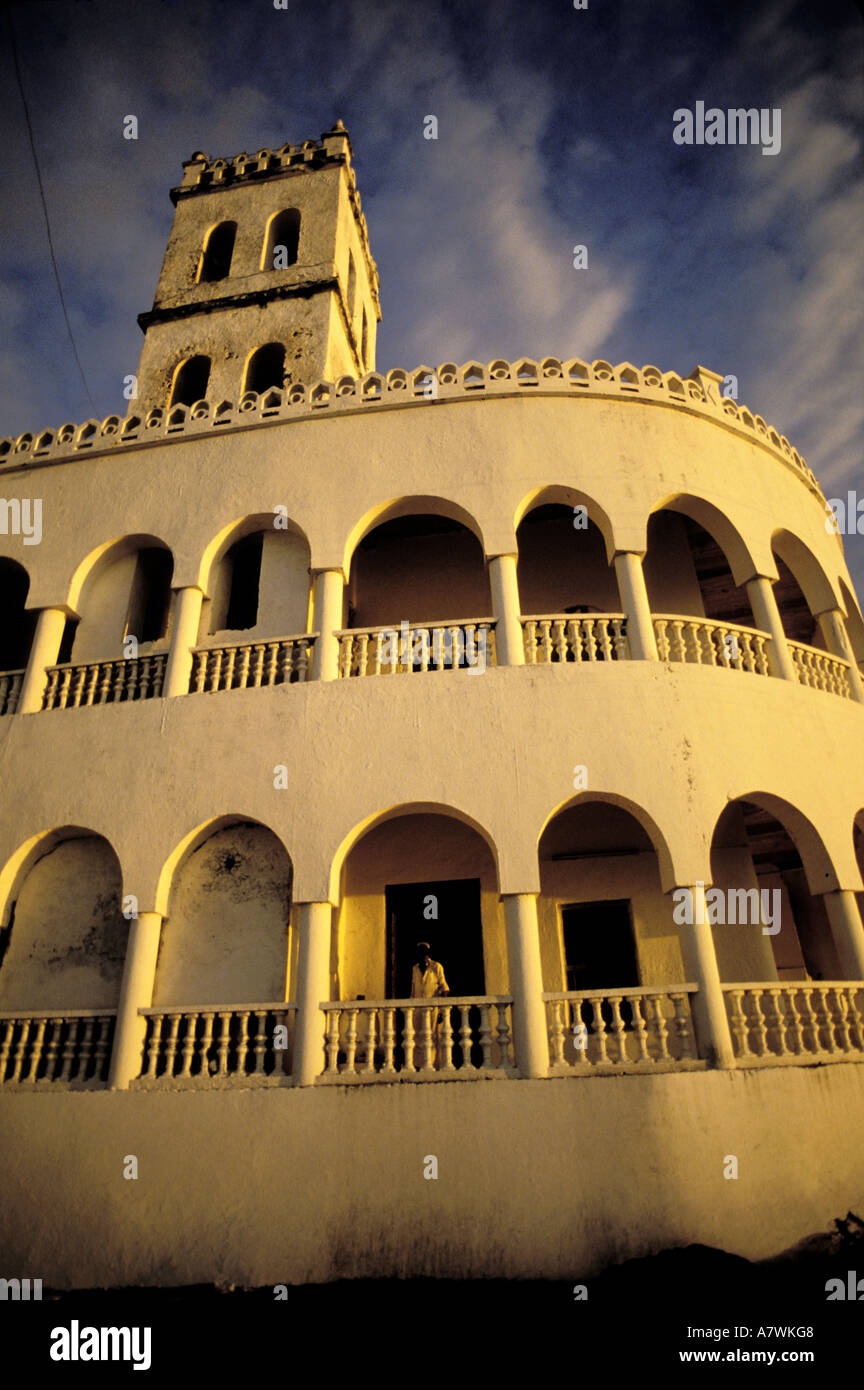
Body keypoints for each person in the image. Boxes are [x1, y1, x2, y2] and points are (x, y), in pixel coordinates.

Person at [409, 942, 449, 1068]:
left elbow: (444, 988)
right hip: (418, 1010)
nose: (422, 955)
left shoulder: (436, 967)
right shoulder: (415, 968)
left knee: (433, 1037)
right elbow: (413, 989)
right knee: (417, 1037)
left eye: (424, 952)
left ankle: (433, 1064)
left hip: (433, 1010)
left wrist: (442, 1010)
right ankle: (418, 1065)